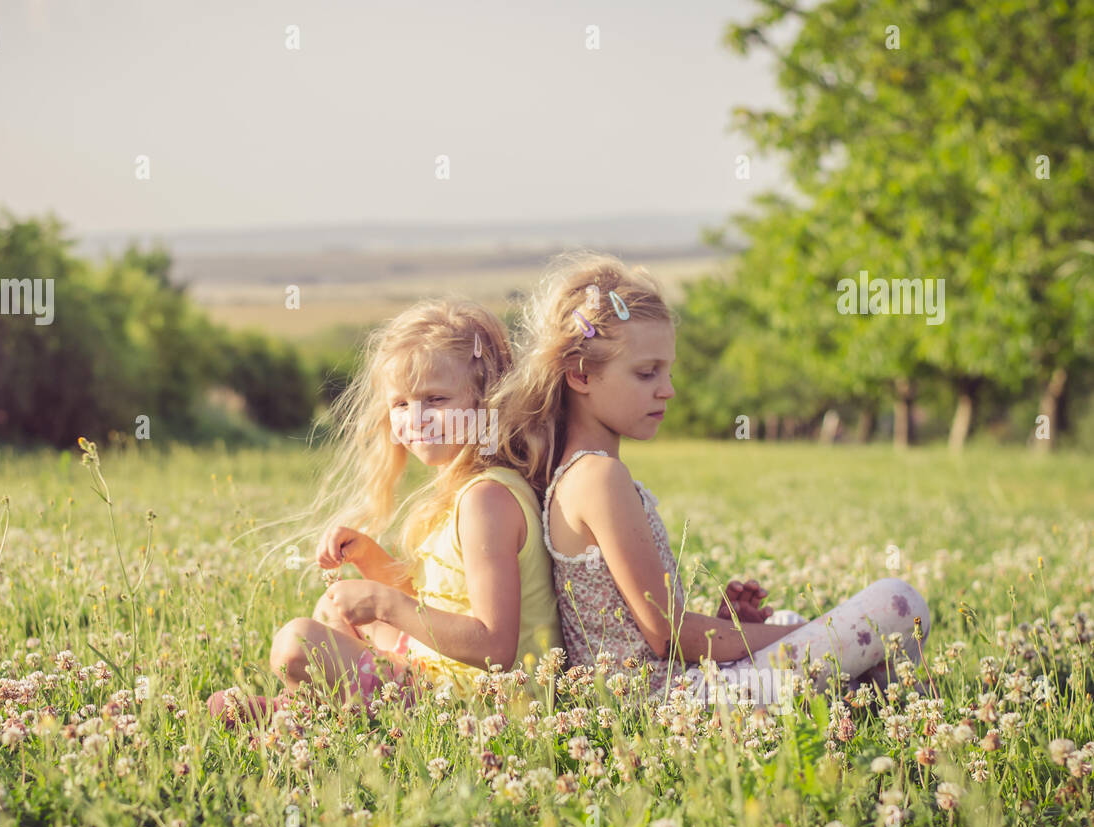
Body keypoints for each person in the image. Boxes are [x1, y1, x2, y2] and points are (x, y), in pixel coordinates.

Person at [487, 250, 929, 705]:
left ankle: (858, 699)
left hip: (668, 691)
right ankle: (868, 698)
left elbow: (650, 632)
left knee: (792, 621)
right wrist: (814, 632)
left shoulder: (583, 474)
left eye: (668, 370)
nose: (668, 389)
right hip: (672, 704)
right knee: (898, 603)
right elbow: (668, 636)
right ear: (580, 375)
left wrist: (733, 623)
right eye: (646, 373)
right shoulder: (598, 477)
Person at [208, 298, 563, 727]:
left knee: (296, 643)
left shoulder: (486, 500)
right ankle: (312, 714)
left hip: (480, 704)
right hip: (445, 675)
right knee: (333, 608)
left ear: (485, 401)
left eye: (435, 399)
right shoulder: (463, 490)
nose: (416, 419)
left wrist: (384, 602)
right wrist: (369, 559)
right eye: (400, 404)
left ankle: (303, 716)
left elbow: (494, 646)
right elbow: (441, 600)